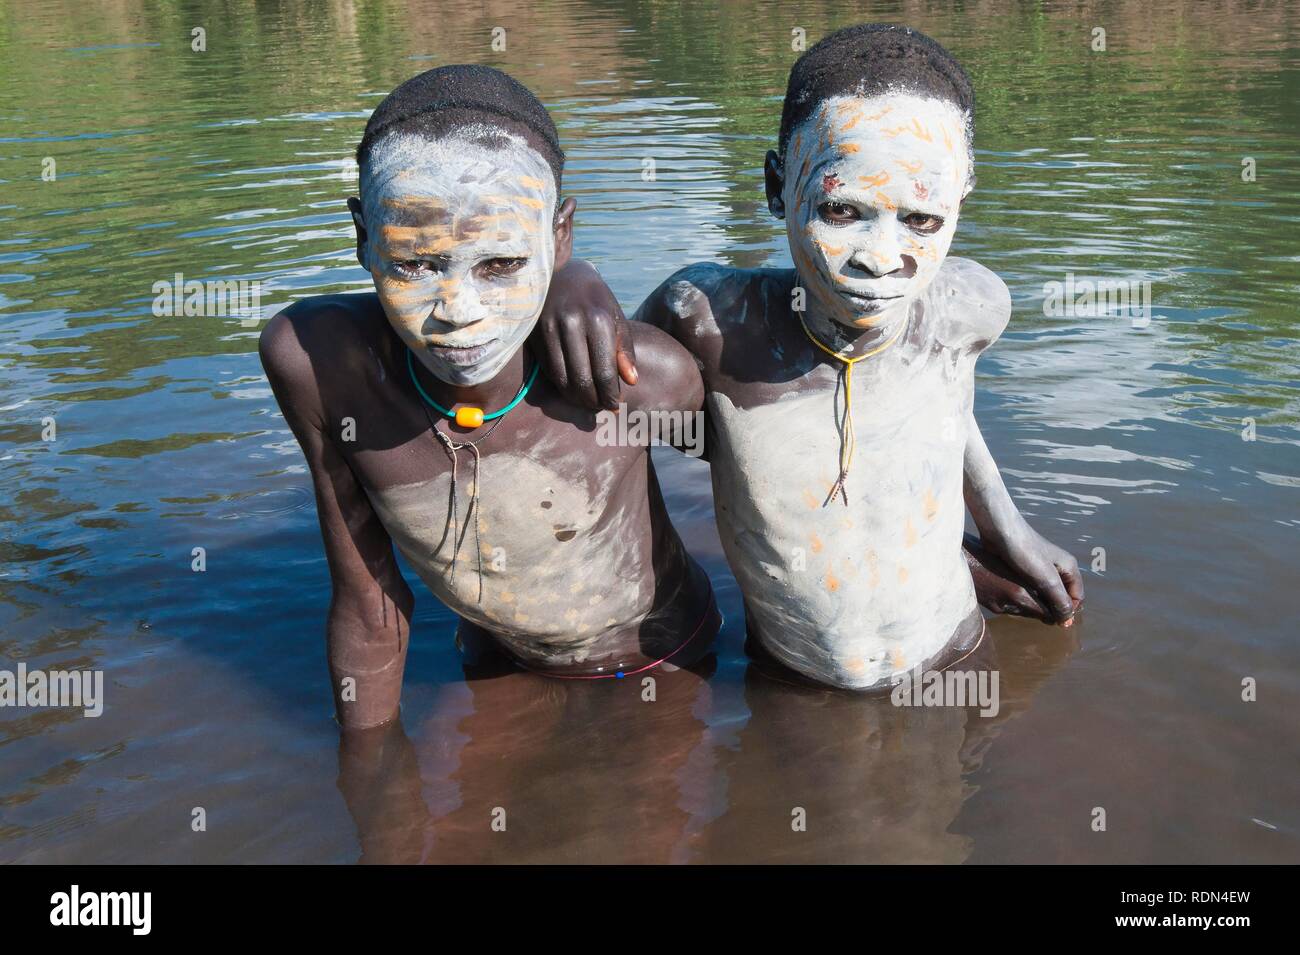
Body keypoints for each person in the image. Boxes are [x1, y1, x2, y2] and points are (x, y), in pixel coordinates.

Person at [535, 24, 1084, 690]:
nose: (881, 257)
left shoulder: (967, 306)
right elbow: (602, 401)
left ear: (960, 202)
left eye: (922, 219)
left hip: (954, 650)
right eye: (841, 209)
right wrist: (563, 277)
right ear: (776, 187)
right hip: (794, 673)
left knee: (950, 791)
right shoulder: (709, 322)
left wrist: (1007, 530)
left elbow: (949, 404)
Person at [259, 65, 718, 730]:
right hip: (494, 660)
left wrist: (572, 276)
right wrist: (368, 788)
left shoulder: (639, 377)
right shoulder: (318, 365)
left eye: (501, 264)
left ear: (558, 236)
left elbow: (764, 491)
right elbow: (368, 603)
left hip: (660, 665)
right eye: (415, 264)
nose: (459, 312)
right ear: (362, 235)